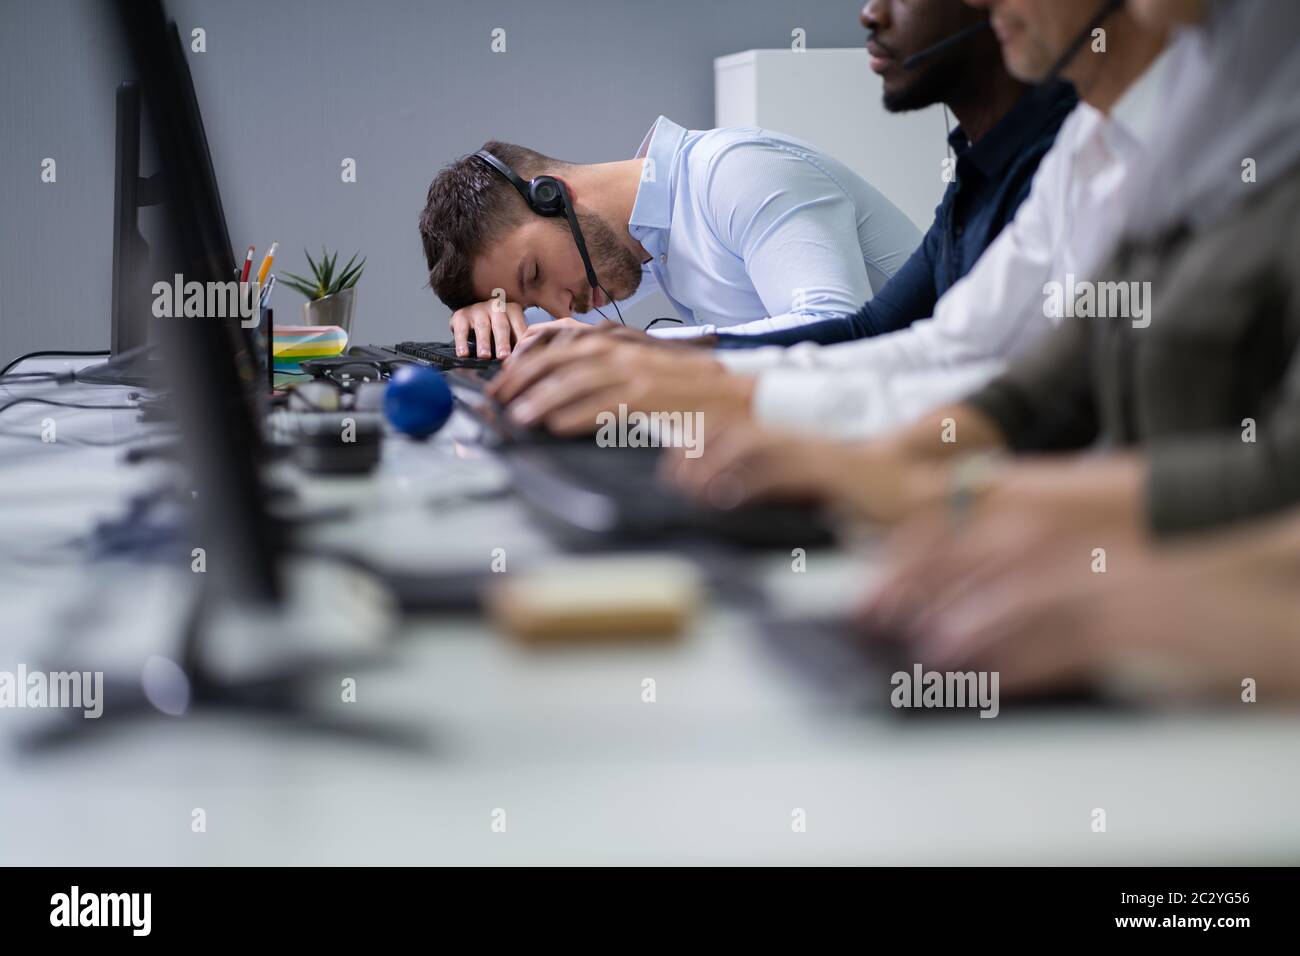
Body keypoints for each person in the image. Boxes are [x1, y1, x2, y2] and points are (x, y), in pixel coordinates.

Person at [666, 0, 1300, 545]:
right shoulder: (1101, 140)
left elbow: (1268, 478)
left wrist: (940, 493)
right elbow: (1024, 378)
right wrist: (717, 390)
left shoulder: (1186, 141)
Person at [490, 0, 1171, 440]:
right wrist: (663, 365)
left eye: (532, 277)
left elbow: (988, 376)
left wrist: (691, 386)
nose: (870, 14)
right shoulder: (987, 169)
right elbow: (902, 338)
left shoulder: (1081, 151)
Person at [417, 118, 920, 359]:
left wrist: (625, 346)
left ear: (553, 196)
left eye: (535, 275)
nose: (564, 310)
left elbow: (840, 328)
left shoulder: (733, 171)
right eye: (537, 303)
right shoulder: (650, 239)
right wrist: (494, 315)